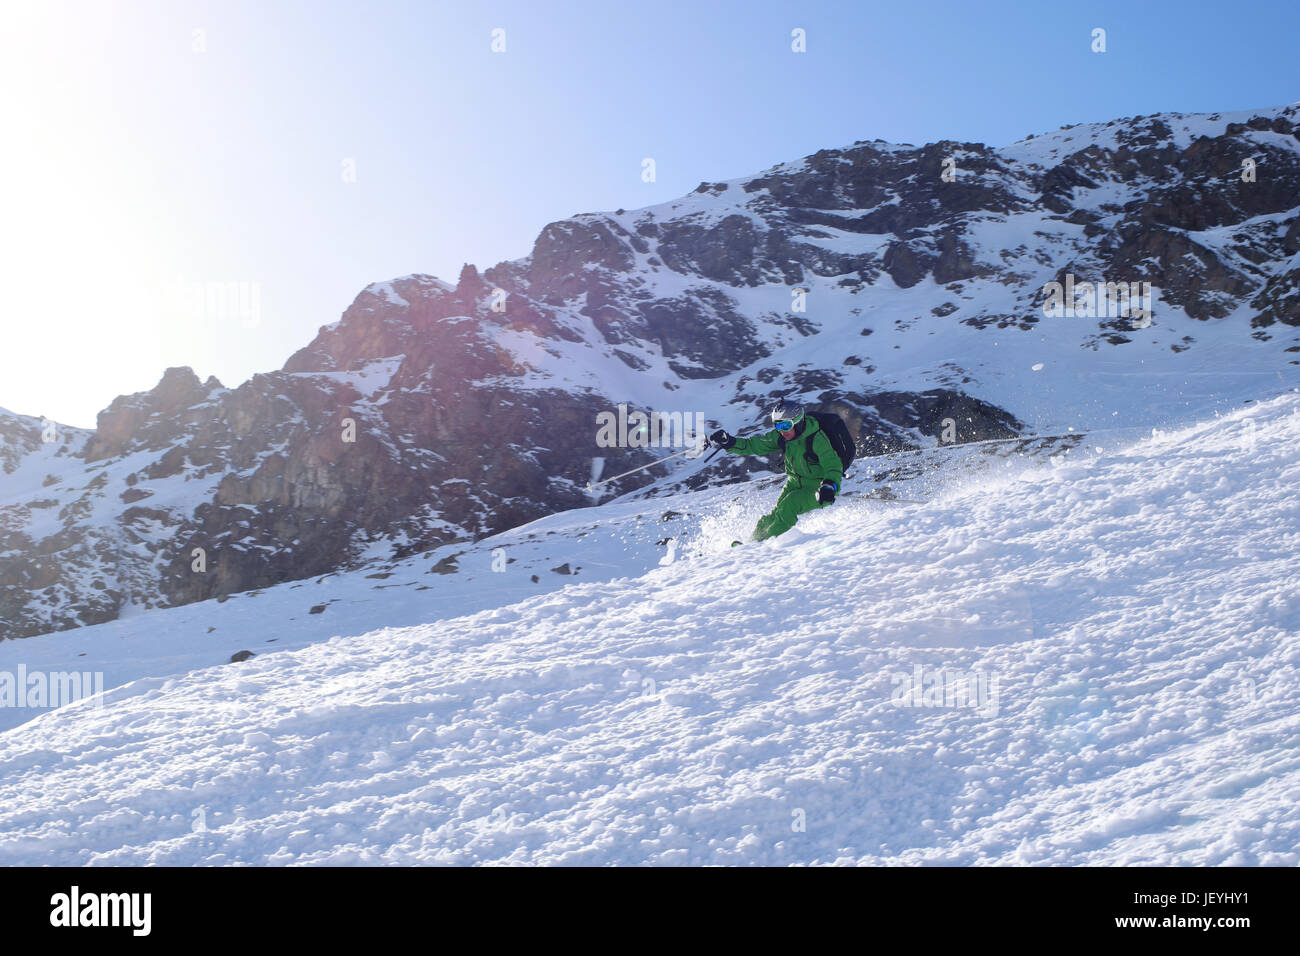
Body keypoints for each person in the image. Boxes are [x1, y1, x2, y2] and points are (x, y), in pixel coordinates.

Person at [709, 401, 842, 542]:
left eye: (786, 426)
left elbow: (833, 465)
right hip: (794, 483)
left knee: (790, 505)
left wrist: (829, 485)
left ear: (798, 422)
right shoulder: (782, 436)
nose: (782, 431)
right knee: (773, 516)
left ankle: (764, 546)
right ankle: (751, 544)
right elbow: (754, 444)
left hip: (821, 489)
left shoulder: (816, 439)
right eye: (778, 426)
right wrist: (730, 442)